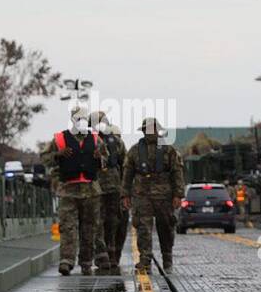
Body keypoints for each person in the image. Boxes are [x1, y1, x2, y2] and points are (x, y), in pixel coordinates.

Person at [47, 109, 109, 276]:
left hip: (90, 191)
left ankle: (86, 262)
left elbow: (107, 160)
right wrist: (58, 154)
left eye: (83, 118)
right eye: (78, 119)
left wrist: (99, 157)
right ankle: (66, 261)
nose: (81, 121)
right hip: (68, 190)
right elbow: (45, 157)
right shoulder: (60, 139)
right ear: (72, 121)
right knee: (68, 227)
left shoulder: (95, 139)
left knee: (89, 228)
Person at [123, 117, 184, 272]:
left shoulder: (169, 150)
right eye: (147, 129)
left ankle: (167, 259)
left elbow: (177, 173)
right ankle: (145, 260)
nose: (150, 132)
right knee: (143, 228)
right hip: (141, 195)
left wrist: (178, 194)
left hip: (164, 196)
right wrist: (125, 195)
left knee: (166, 227)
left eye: (153, 129)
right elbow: (127, 174)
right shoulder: (135, 151)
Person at [92, 111, 128, 272]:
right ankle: (104, 254)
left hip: (109, 187)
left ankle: (109, 254)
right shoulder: (89, 142)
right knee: (102, 222)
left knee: (110, 222)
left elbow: (126, 166)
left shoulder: (115, 143)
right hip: (99, 188)